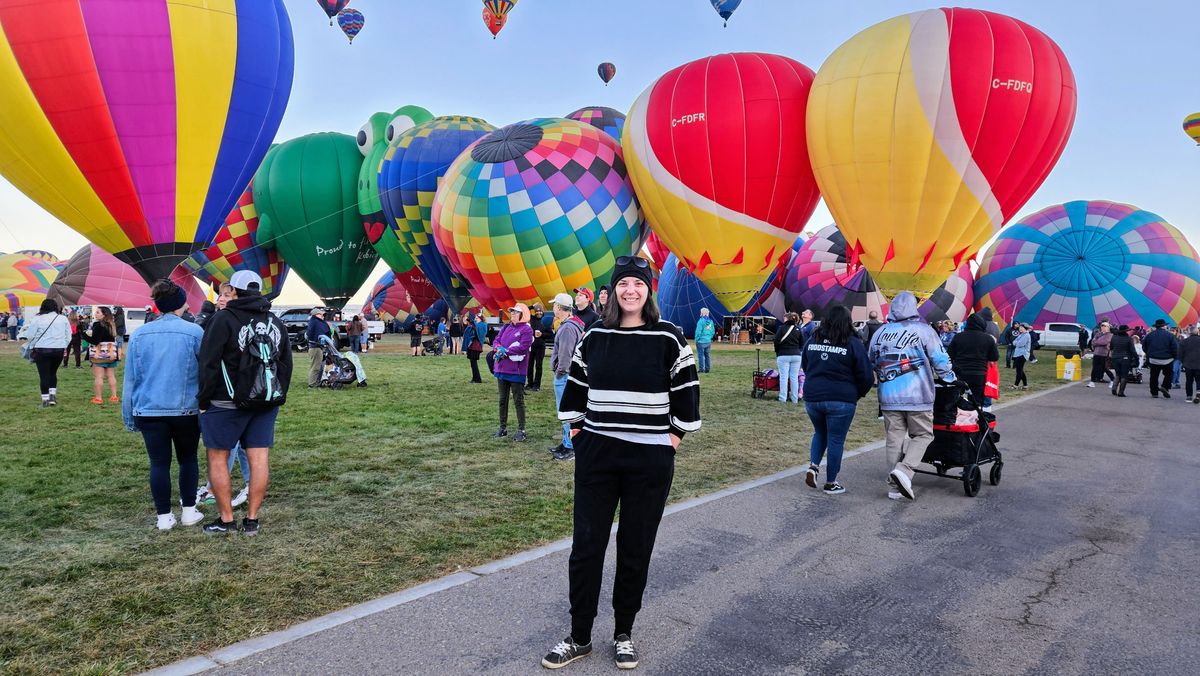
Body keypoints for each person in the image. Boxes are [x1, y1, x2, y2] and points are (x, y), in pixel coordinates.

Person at [545, 256, 700, 670]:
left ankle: (623, 631)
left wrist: (670, 441)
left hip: (649, 460)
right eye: (623, 284)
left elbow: (687, 392)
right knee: (587, 546)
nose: (631, 290)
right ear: (613, 291)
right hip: (598, 455)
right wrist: (580, 436)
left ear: (649, 290)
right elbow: (574, 390)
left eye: (638, 284)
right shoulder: (594, 335)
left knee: (635, 548)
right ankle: (579, 636)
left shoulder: (669, 336)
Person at [196, 270, 292, 536]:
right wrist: (277, 396)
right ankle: (252, 520)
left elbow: (208, 363)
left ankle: (227, 521)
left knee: (218, 458)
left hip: (225, 403)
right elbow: (286, 364)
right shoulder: (275, 321)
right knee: (259, 459)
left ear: (234, 291)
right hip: (265, 401)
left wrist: (203, 399)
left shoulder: (223, 319)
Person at [121, 279, 207, 531]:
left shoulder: (139, 335)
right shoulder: (194, 332)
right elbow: (206, 373)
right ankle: (189, 512)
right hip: (186, 410)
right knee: (188, 459)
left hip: (149, 409)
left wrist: (129, 417)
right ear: (181, 303)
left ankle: (163, 517)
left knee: (159, 463)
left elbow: (131, 380)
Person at [866, 291, 956, 501]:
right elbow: (940, 360)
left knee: (894, 439)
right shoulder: (923, 330)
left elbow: (871, 359)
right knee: (923, 435)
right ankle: (904, 471)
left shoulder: (880, 332)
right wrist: (950, 378)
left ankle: (893, 486)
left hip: (888, 395)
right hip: (918, 394)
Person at [800, 305, 874, 495]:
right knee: (836, 440)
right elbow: (865, 374)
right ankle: (831, 482)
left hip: (813, 397)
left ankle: (814, 466)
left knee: (820, 433)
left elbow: (805, 364)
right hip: (841, 398)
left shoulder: (813, 338)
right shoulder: (852, 342)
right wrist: (857, 393)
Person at [549, 293, 585, 460]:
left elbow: (565, 354)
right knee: (566, 411)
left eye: (554, 305)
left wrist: (559, 371)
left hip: (565, 376)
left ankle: (570, 447)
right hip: (568, 375)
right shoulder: (571, 325)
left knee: (565, 412)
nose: (553, 308)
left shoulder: (568, 328)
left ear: (558, 307)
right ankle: (566, 443)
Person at [493, 303, 533, 441]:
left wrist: (506, 351)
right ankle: (502, 428)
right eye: (512, 312)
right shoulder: (505, 327)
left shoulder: (527, 329)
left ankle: (521, 429)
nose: (513, 315)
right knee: (502, 400)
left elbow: (523, 347)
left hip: (516, 371)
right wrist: (498, 348)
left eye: (516, 312)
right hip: (502, 368)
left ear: (523, 314)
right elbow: (496, 341)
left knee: (518, 400)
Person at [22, 299, 71, 408]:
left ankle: (45, 400)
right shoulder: (62, 318)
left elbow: (30, 335)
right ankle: (52, 397)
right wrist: (62, 344)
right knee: (53, 373)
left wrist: (32, 344)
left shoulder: (37, 319)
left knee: (44, 375)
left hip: (42, 349)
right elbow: (68, 335)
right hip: (58, 349)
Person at [947, 311, 1000, 404]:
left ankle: (960, 417)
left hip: (960, 373)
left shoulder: (958, 337)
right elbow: (995, 357)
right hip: (978, 374)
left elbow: (950, 355)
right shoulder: (988, 338)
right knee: (976, 402)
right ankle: (975, 417)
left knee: (958, 400)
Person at [81, 306, 121, 404]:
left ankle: (98, 398)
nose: (95, 314)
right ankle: (114, 396)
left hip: (99, 354)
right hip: (111, 354)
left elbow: (95, 341)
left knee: (99, 377)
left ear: (104, 314)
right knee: (111, 376)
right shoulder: (112, 325)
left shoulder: (97, 325)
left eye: (98, 312)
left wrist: (84, 335)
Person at [1142, 318, 1179, 398]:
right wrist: (1174, 356)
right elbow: (1174, 347)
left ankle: (1154, 392)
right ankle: (1165, 387)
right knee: (1169, 374)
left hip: (1153, 359)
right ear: (1164, 326)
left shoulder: (1150, 335)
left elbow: (1144, 346)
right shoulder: (1170, 335)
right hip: (1167, 359)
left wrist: (1149, 353)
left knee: (1154, 376)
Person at [773, 311, 804, 403]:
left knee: (783, 377)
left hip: (783, 354)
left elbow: (776, 341)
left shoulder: (781, 328)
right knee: (794, 377)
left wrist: (777, 352)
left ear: (787, 319)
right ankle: (794, 399)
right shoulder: (798, 329)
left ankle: (783, 398)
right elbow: (802, 343)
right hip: (796, 355)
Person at [1108, 325, 1137, 397]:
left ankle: (1114, 388)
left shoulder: (1114, 337)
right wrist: (1136, 358)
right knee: (1124, 375)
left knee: (1118, 373)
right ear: (1126, 331)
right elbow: (1132, 350)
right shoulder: (1129, 339)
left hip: (1115, 358)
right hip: (1125, 358)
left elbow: (1111, 347)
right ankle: (1121, 392)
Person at [305, 307, 331, 386]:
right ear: (316, 314)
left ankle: (315, 381)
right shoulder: (316, 323)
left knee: (316, 366)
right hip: (316, 347)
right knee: (316, 367)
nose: (322, 316)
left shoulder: (313, 322)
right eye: (321, 314)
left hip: (315, 347)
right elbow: (322, 333)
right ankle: (312, 383)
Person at [1087, 322, 1114, 388]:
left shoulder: (1110, 335)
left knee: (1105, 368)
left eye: (1105, 326)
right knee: (1094, 368)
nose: (1103, 327)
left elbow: (1104, 342)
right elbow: (1092, 342)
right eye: (1102, 326)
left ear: (1108, 327)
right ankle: (1092, 382)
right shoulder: (1098, 334)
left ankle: (1113, 380)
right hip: (1096, 353)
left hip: (1104, 354)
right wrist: (1097, 342)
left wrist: (1096, 342)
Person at [528, 304, 547, 392]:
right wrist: (532, 306)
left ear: (542, 311)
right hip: (531, 346)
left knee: (538, 366)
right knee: (529, 365)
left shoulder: (545, 320)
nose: (538, 312)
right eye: (537, 311)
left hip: (540, 347)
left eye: (540, 311)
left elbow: (551, 334)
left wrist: (542, 334)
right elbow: (524, 311)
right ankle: (530, 383)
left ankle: (537, 385)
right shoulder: (532, 319)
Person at [462, 313, 485, 383]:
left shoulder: (483, 325)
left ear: (481, 319)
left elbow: (478, 332)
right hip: (472, 346)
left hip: (476, 347)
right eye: (475, 318)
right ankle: (475, 378)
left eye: (477, 318)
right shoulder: (475, 325)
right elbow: (470, 331)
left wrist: (471, 322)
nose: (475, 319)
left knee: (474, 363)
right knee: (472, 363)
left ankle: (477, 379)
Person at [1180, 326, 1200, 404]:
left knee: (1189, 381)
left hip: (1188, 364)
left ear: (1189, 333)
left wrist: (1183, 362)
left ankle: (1189, 397)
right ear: (1197, 332)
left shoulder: (1184, 342)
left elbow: (1180, 354)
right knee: (1199, 380)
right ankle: (1198, 392)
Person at [694, 307, 716, 373]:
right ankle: (707, 369)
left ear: (702, 313)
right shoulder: (711, 322)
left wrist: (696, 339)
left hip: (701, 341)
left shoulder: (701, 321)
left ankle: (701, 369)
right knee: (707, 355)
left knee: (700, 356)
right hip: (708, 341)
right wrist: (709, 337)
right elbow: (713, 331)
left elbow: (698, 332)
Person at [1011, 324, 1031, 390]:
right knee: (1020, 370)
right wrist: (1016, 343)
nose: (1020, 329)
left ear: (1025, 328)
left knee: (1019, 371)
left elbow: (1020, 344)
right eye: (1020, 327)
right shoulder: (1021, 335)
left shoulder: (1026, 335)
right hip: (1018, 354)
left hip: (1022, 354)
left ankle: (1015, 385)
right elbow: (1013, 342)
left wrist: (1016, 343)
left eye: (1022, 327)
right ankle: (1025, 385)